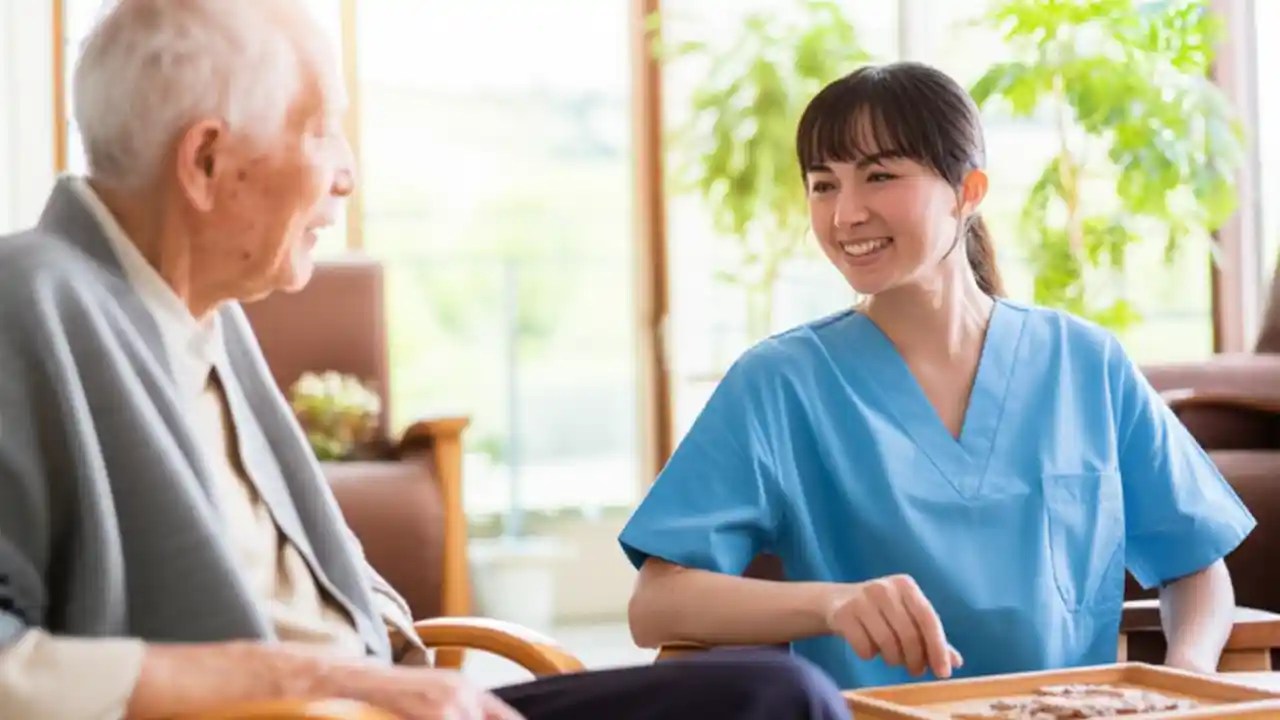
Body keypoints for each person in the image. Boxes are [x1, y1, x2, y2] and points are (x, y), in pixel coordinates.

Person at [0, 1, 852, 719]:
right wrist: (304, 677)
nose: (346, 175)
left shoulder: (201, 313)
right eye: (321, 130)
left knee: (774, 695)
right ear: (208, 162)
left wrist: (395, 668)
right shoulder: (28, 302)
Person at [620, 61, 1256, 692]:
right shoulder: (780, 383)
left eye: (880, 176)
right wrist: (831, 605)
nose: (846, 215)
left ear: (967, 192)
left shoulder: (1084, 362)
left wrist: (1189, 675)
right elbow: (656, 605)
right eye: (823, 185)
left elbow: (1196, 565)